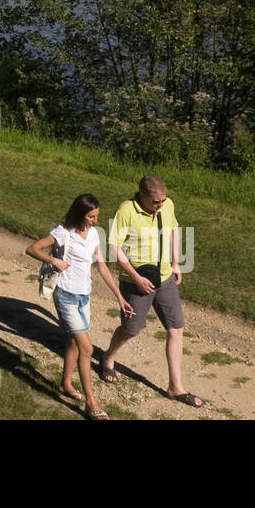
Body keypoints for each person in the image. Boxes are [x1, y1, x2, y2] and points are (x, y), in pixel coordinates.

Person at [100, 175, 202, 408]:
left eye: (163, 200)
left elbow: (175, 230)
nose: (161, 205)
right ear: (143, 196)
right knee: (131, 328)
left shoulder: (168, 205)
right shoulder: (126, 210)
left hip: (164, 277)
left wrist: (176, 263)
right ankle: (109, 357)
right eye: (156, 201)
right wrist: (136, 277)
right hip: (136, 281)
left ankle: (175, 388)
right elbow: (114, 246)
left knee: (176, 328)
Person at [27, 194, 133, 420]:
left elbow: (102, 267)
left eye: (97, 216)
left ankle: (65, 383)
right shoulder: (62, 233)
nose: (95, 220)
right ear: (80, 214)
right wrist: (53, 261)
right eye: (91, 216)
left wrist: (119, 297)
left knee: (75, 342)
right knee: (87, 349)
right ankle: (91, 402)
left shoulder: (94, 233)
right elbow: (32, 248)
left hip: (84, 296)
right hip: (65, 295)